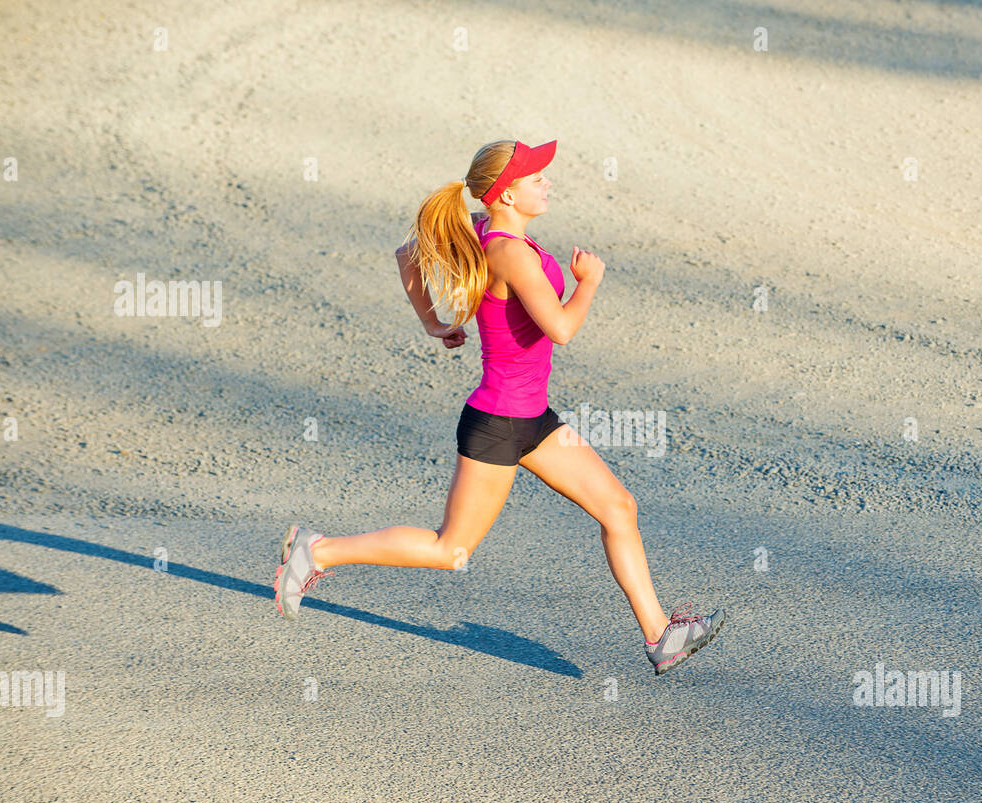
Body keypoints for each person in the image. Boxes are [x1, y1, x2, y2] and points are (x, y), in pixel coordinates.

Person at [273, 139, 724, 675]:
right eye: (537, 177)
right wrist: (589, 284)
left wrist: (435, 322)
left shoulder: (482, 228)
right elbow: (561, 328)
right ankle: (317, 552)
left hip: (533, 419)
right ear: (507, 193)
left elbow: (405, 254)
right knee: (450, 550)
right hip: (497, 424)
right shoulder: (508, 252)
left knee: (618, 508)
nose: (547, 182)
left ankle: (660, 635)